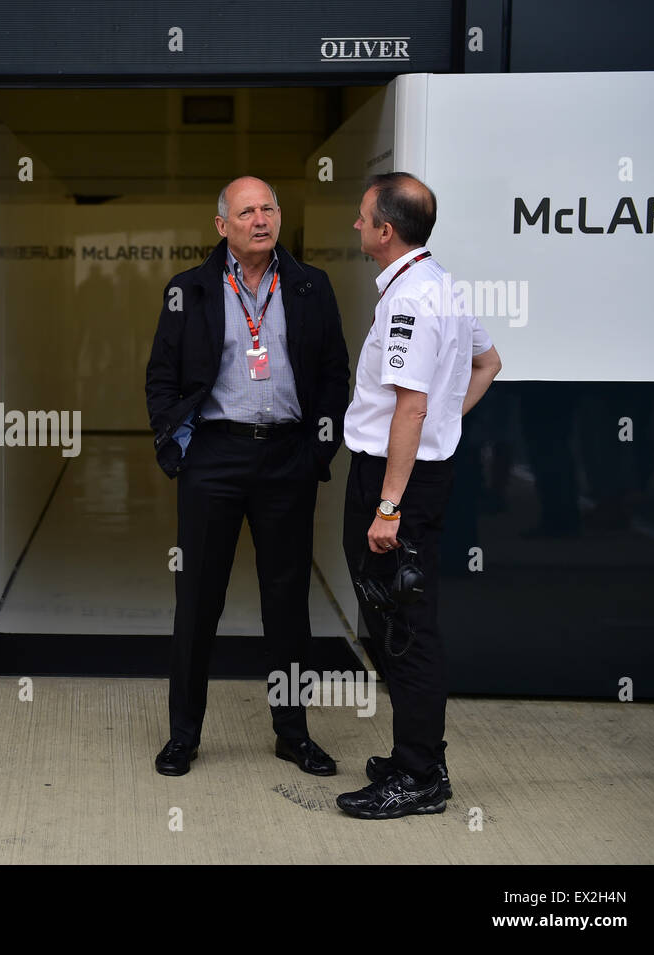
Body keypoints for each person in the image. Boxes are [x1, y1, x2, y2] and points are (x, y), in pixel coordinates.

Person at [145, 176, 350, 777]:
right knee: (198, 601)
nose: (261, 219)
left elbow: (335, 374)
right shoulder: (190, 290)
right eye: (246, 211)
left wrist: (318, 452)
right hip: (215, 457)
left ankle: (293, 733)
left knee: (287, 604)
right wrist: (178, 443)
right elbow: (160, 377)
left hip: (287, 458)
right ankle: (184, 735)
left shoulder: (312, 286)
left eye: (269, 208)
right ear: (222, 225)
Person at [335, 172, 502, 818]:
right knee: (398, 617)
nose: (356, 226)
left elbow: (409, 407)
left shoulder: (411, 299)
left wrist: (387, 504)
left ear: (385, 230)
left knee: (406, 628)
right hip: (414, 473)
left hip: (393, 480)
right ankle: (417, 753)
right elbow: (490, 364)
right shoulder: (444, 288)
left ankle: (420, 775)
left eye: (361, 218)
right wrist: (445, 425)